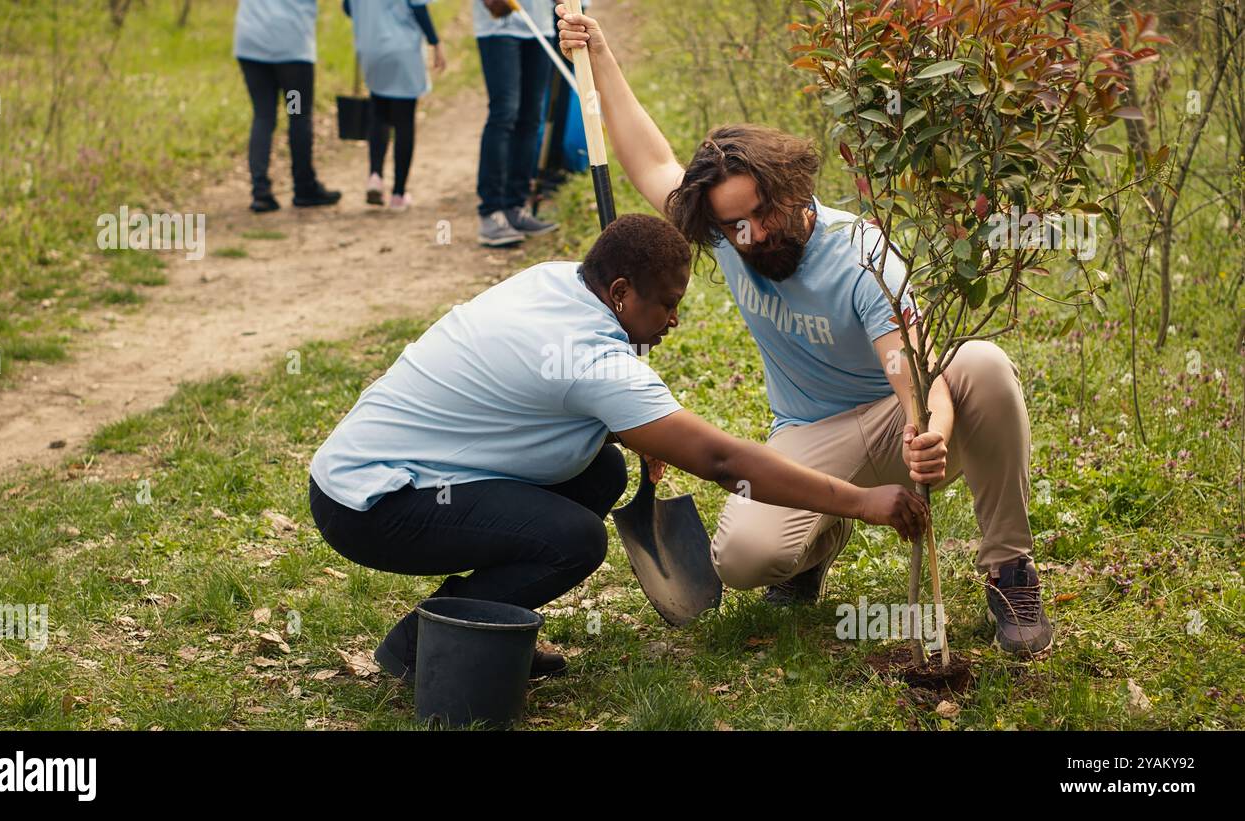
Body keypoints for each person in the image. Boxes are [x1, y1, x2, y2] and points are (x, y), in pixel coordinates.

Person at [556, 5, 1053, 657]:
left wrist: (930, 427)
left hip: (895, 420)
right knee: (742, 557)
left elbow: (910, 360)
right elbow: (651, 159)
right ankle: (815, 541)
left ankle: (1009, 567)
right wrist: (599, 53)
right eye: (734, 225)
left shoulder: (859, 252)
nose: (752, 235)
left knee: (982, 364)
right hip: (809, 432)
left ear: (793, 187)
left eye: (762, 215)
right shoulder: (730, 233)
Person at [308, 214, 928, 681]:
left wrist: (622, 425)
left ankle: (461, 627)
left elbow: (530, 388)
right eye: (668, 304)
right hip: (372, 504)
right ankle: (425, 643)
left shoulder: (550, 281)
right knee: (573, 540)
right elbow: (724, 463)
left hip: (373, 468)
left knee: (599, 472)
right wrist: (861, 501)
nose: (674, 320)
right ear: (621, 292)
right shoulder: (593, 362)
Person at [234, 0, 341, 211]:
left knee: (263, 116)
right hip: (289, 53)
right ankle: (304, 187)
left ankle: (260, 191)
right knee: (297, 114)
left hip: (251, 43)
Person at [473, 0, 562, 246]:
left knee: (531, 118)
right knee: (504, 114)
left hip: (539, 26)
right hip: (499, 28)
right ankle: (491, 211)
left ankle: (515, 205)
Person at [344, 0, 446, 211]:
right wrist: (435, 42)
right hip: (402, 47)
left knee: (378, 112)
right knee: (404, 122)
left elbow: (347, 7)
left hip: (371, 48)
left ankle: (375, 175)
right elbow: (418, 7)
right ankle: (398, 193)